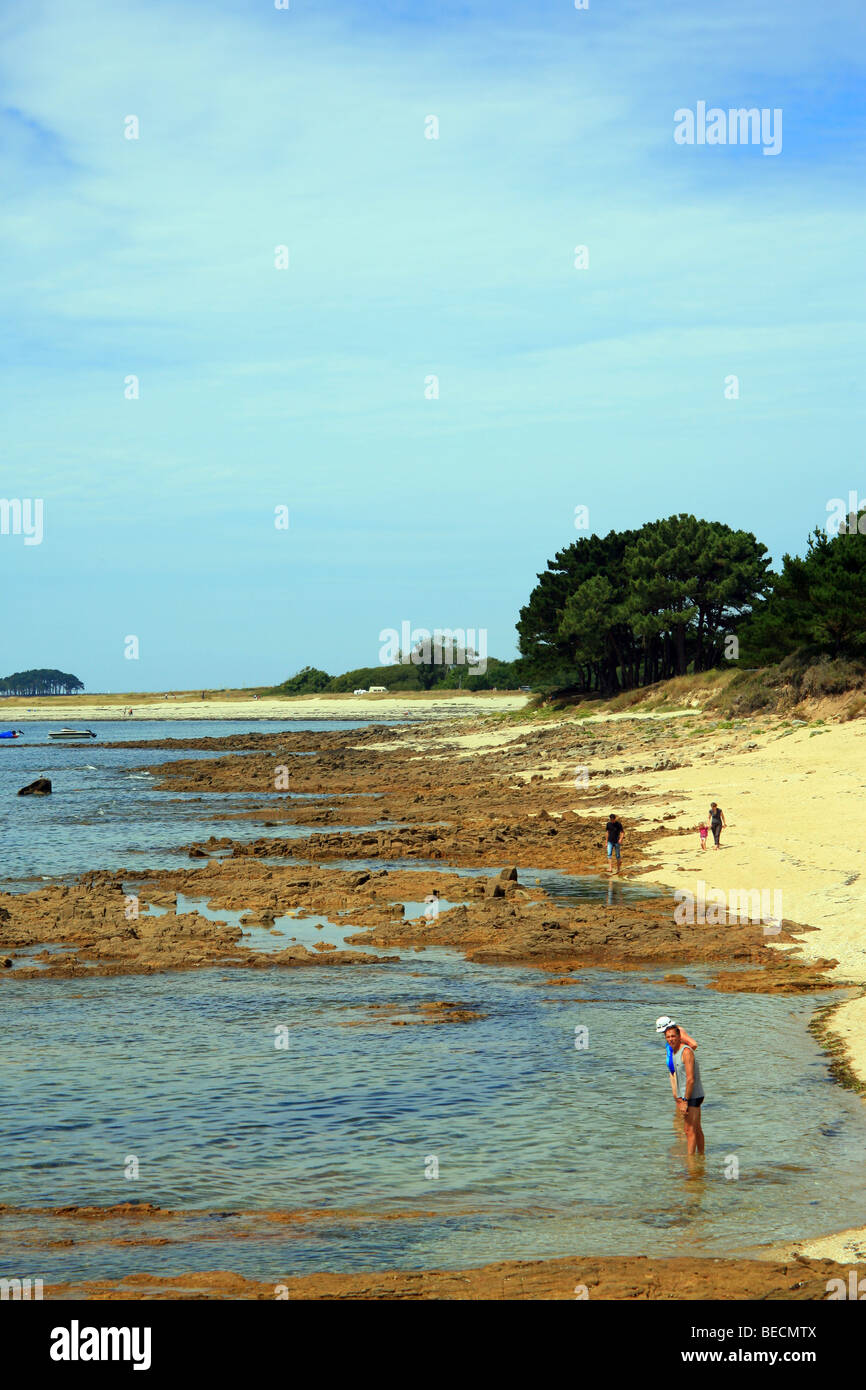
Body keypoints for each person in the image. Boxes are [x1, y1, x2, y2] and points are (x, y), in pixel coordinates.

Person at [664, 1023, 705, 1155]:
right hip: (688, 1095)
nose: (671, 1039)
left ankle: (690, 1161)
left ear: (679, 1036)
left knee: (689, 1130)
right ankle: (701, 1156)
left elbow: (690, 1079)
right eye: (668, 1037)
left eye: (673, 1036)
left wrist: (684, 1100)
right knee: (696, 1128)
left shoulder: (686, 1052)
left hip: (692, 1095)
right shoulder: (674, 1051)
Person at [655, 1015, 698, 1106]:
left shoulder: (679, 1032)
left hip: (678, 1068)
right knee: (677, 1097)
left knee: (681, 1097)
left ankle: (684, 1116)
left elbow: (693, 1045)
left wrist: (682, 1058)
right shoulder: (671, 1033)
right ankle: (679, 1118)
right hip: (673, 1069)